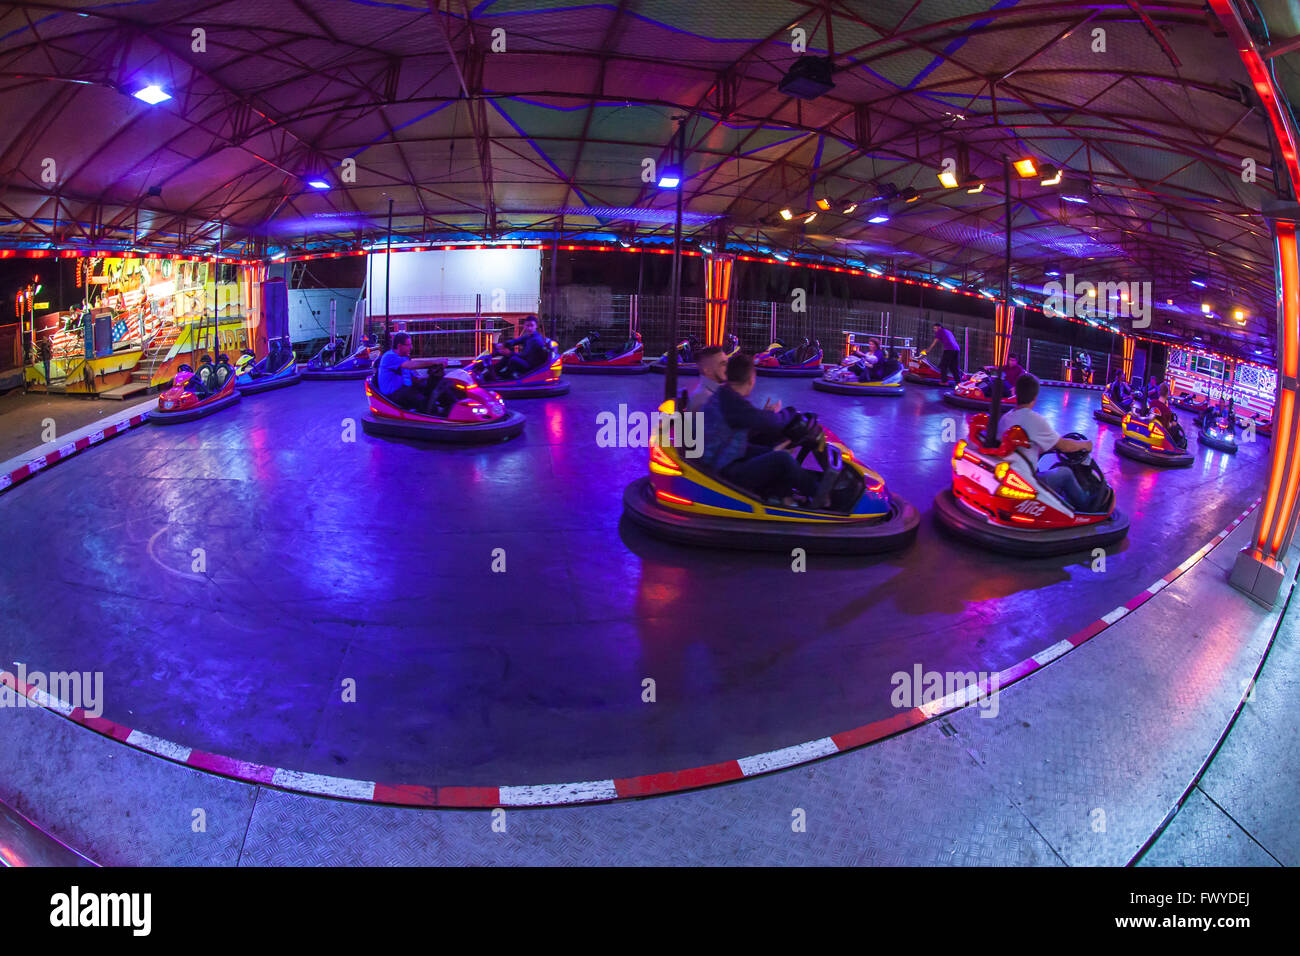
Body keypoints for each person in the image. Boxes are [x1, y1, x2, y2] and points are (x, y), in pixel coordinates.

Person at [700, 353, 824, 507]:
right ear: (752, 379)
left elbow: (753, 419)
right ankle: (822, 496)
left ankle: (782, 498)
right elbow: (767, 421)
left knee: (773, 450)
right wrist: (790, 413)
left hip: (723, 457)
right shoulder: (731, 402)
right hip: (723, 471)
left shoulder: (725, 395)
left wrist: (773, 427)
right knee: (782, 459)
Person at [996, 373, 1095, 512]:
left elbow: (1032, 445)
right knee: (1065, 472)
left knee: (1052, 467)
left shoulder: (1006, 417)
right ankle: (1087, 508)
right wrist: (1086, 444)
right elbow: (1064, 446)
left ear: (1015, 392)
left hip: (1010, 474)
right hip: (1026, 481)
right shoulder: (1035, 419)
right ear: (1035, 397)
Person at [378, 331, 448, 412]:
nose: (411, 347)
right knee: (423, 401)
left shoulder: (404, 357)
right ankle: (433, 420)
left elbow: (413, 378)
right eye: (408, 345)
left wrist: (429, 378)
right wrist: (435, 361)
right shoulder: (389, 356)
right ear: (399, 346)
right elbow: (411, 365)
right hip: (393, 394)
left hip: (404, 389)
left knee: (432, 390)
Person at [687, 345, 727, 412]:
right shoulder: (699, 399)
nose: (727, 367)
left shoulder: (721, 393)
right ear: (707, 370)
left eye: (727, 363)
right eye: (723, 364)